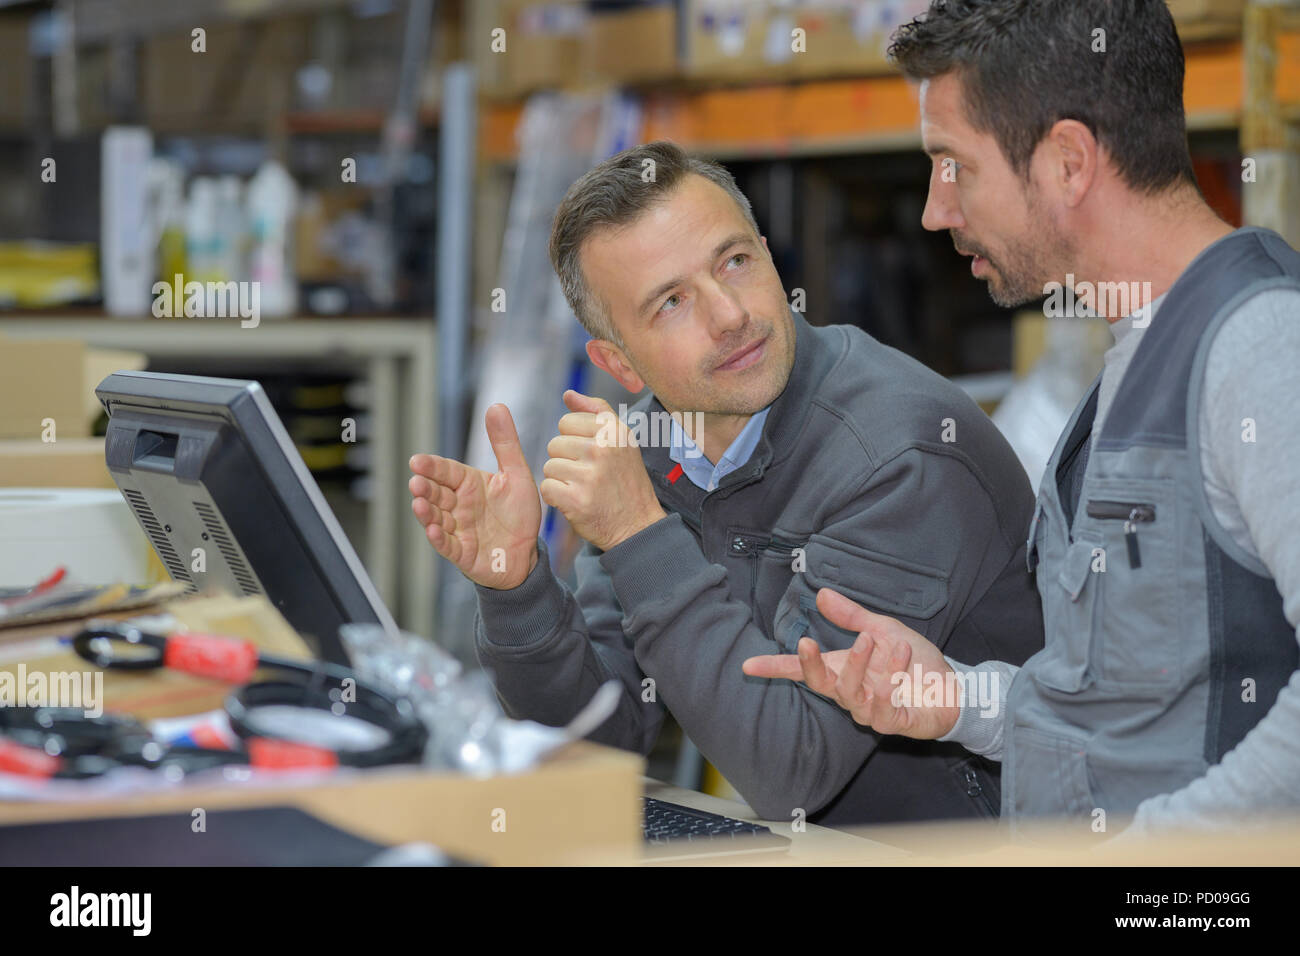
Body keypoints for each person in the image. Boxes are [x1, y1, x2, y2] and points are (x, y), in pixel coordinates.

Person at [745, 0, 1300, 838]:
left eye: (953, 164)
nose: (935, 209)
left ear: (1067, 162)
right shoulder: (1134, 359)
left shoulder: (1260, 346)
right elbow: (1121, 711)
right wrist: (957, 701)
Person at [409, 140, 1043, 825]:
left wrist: (638, 534)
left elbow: (789, 769)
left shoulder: (898, 454)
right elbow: (601, 738)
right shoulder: (652, 454)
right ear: (619, 364)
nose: (730, 315)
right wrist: (518, 590)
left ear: (769, 256)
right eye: (672, 302)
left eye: (734, 262)